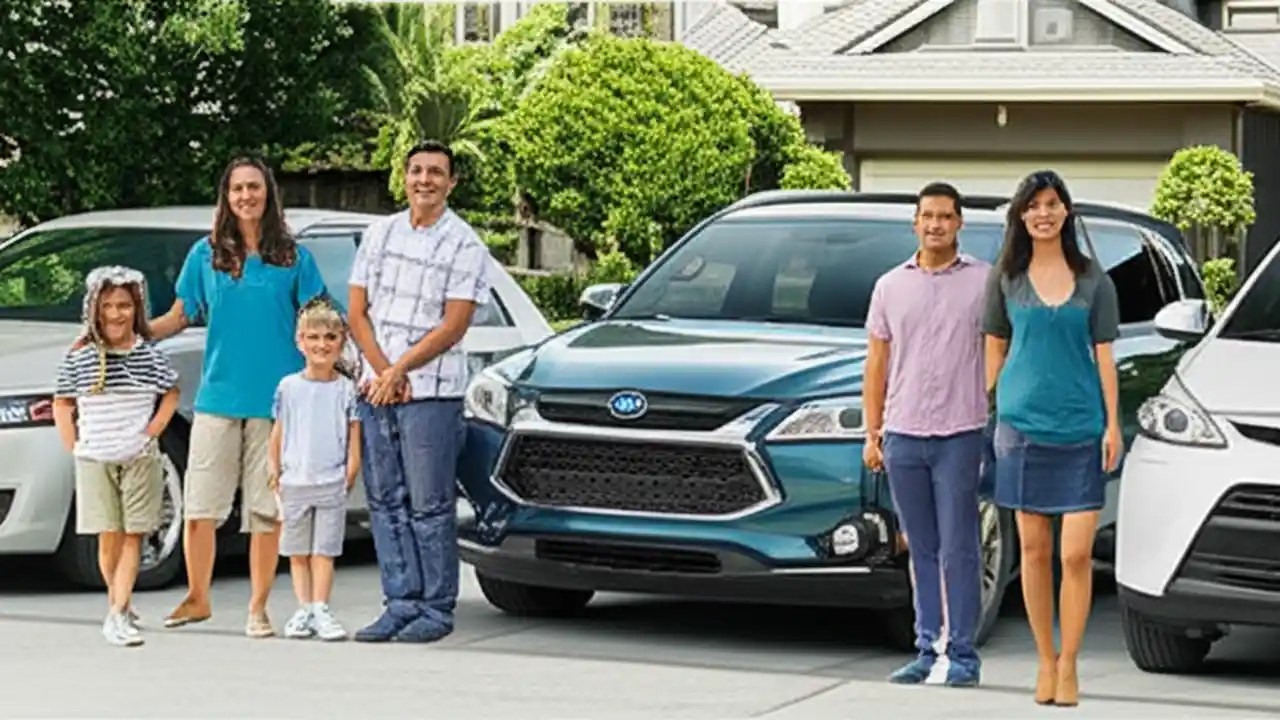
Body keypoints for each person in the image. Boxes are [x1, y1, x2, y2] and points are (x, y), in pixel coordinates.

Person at [150, 157, 329, 638]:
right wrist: (133, 332)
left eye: (253, 187)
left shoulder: (294, 258)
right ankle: (198, 598)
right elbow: (179, 315)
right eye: (236, 190)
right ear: (225, 198)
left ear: (268, 192)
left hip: (276, 406)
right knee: (200, 508)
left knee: (265, 513)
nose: (246, 196)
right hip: (217, 398)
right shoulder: (205, 255)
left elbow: (320, 322)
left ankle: (258, 608)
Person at [983, 170, 1122, 707]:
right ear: (1021, 216)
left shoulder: (1094, 280)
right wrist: (986, 409)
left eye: (1053, 203)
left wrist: (1113, 424)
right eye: (1034, 205)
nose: (1044, 212)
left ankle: (1071, 663)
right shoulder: (1005, 278)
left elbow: (1106, 358)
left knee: (1077, 553)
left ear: (1066, 212)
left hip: (1080, 429)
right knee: (1035, 552)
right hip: (1019, 430)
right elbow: (993, 349)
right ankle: (1045, 661)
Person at [347, 139, 492, 643]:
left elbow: (453, 325)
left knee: (430, 503)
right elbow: (357, 310)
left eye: (435, 172)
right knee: (385, 500)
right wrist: (384, 372)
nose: (424, 180)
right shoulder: (379, 233)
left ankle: (435, 608)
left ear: (451, 183)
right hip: (378, 386)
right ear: (403, 177)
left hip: (431, 391)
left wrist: (400, 370)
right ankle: (399, 601)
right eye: (416, 170)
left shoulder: (465, 244)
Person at [863, 182, 990, 688]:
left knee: (960, 544)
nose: (935, 224)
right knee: (920, 545)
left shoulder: (985, 282)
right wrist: (872, 434)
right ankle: (926, 648)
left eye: (944, 216)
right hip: (903, 433)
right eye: (927, 216)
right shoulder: (890, 286)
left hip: (961, 430)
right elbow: (877, 364)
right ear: (914, 223)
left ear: (960, 222)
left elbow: (1002, 348)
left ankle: (962, 656)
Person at [52, 266, 181, 646]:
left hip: (138, 456)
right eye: (108, 305)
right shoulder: (80, 358)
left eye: (124, 305)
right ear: (95, 309)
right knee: (108, 536)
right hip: (95, 457)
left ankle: (117, 611)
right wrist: (72, 443)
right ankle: (119, 603)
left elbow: (171, 391)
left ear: (136, 308)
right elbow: (61, 402)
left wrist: (153, 429)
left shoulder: (148, 356)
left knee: (134, 534)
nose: (116, 314)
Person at [268, 298, 361, 642]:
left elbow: (353, 431)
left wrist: (350, 469)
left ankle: (321, 606)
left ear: (341, 341)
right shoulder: (288, 388)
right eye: (313, 337)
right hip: (294, 481)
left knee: (324, 550)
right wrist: (273, 468)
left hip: (330, 481)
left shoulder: (345, 389)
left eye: (329, 338)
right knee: (297, 550)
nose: (322, 345)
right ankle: (303, 607)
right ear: (300, 341)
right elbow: (278, 430)